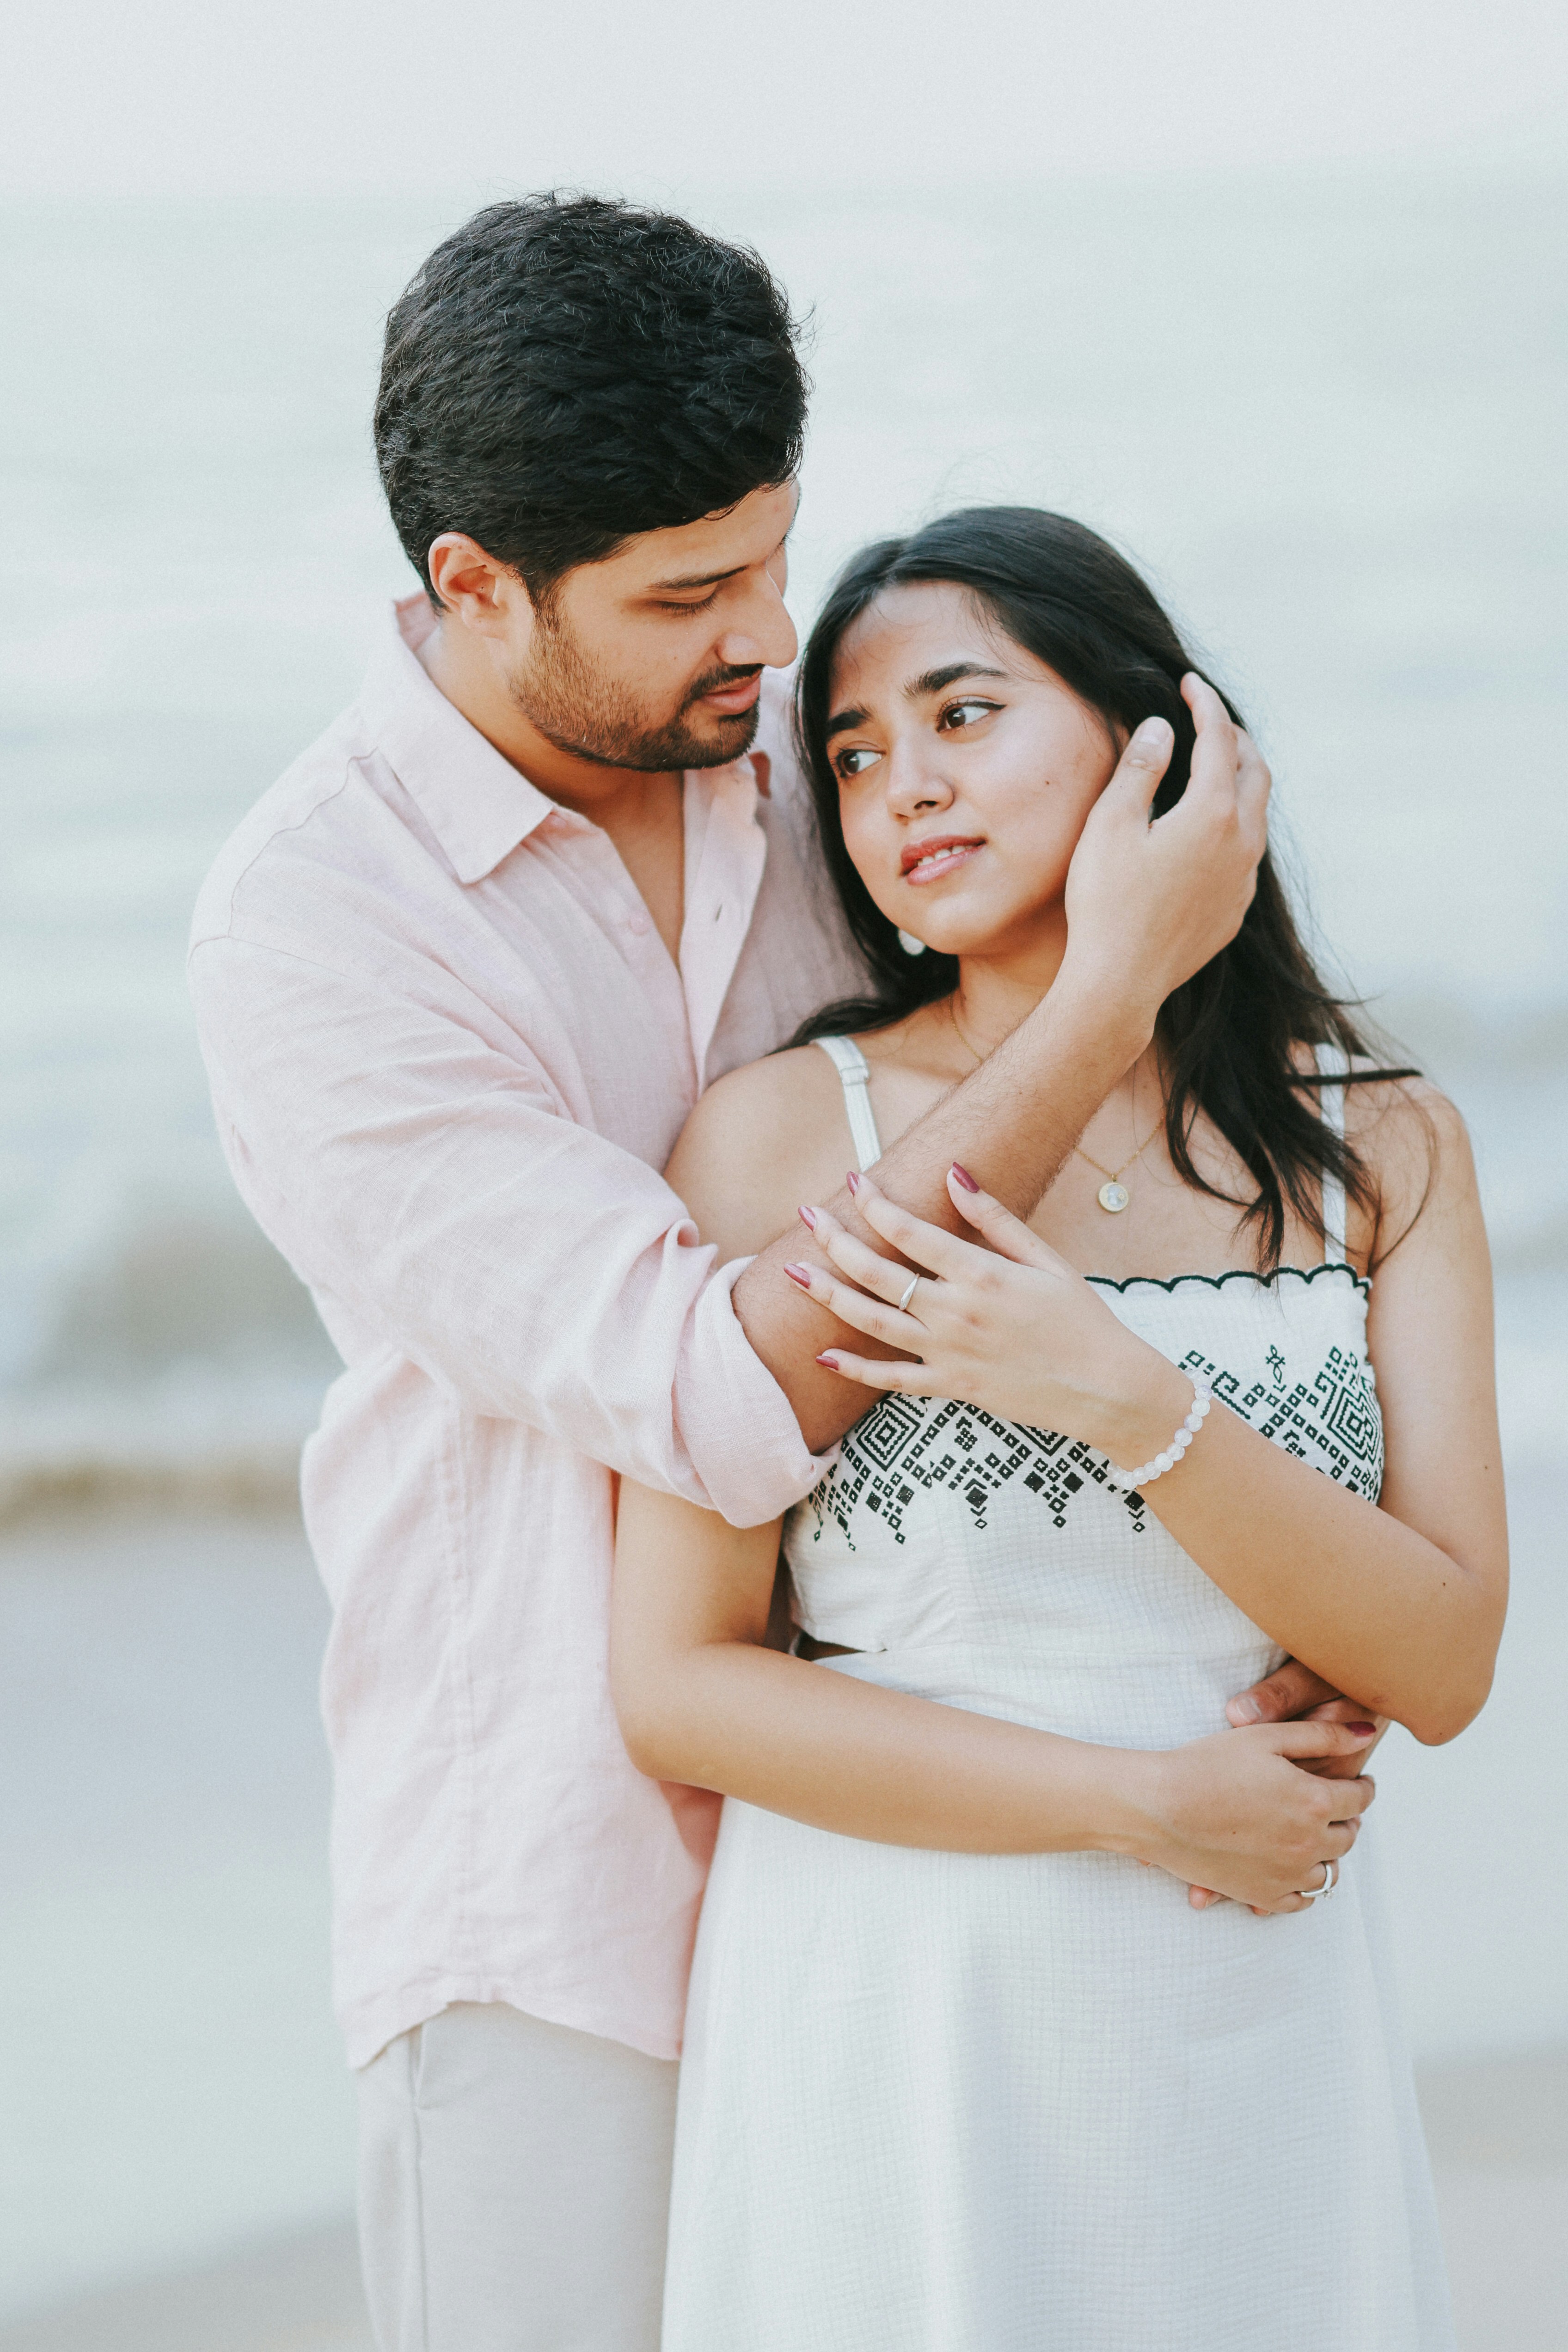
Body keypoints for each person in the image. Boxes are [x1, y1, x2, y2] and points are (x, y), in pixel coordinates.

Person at [190, 196, 1312, 2352]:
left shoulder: (797, 760)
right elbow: (720, 1392)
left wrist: (1258, 1604)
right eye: (693, 594)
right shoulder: (317, 930)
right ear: (470, 586)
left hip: (925, 1853)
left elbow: (1124, 1202)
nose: (768, 636)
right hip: (558, 1887)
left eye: (774, 560)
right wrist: (1111, 981)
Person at [612, 508, 1507, 2351]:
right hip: (895, 2017)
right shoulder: (776, 1136)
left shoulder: (1381, 1146)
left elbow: (1438, 1654)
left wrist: (1121, 1398)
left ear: (1154, 740)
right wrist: (1135, 1804)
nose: (897, 792)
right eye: (851, 756)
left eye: (960, 716)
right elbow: (680, 1686)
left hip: (1251, 2014)